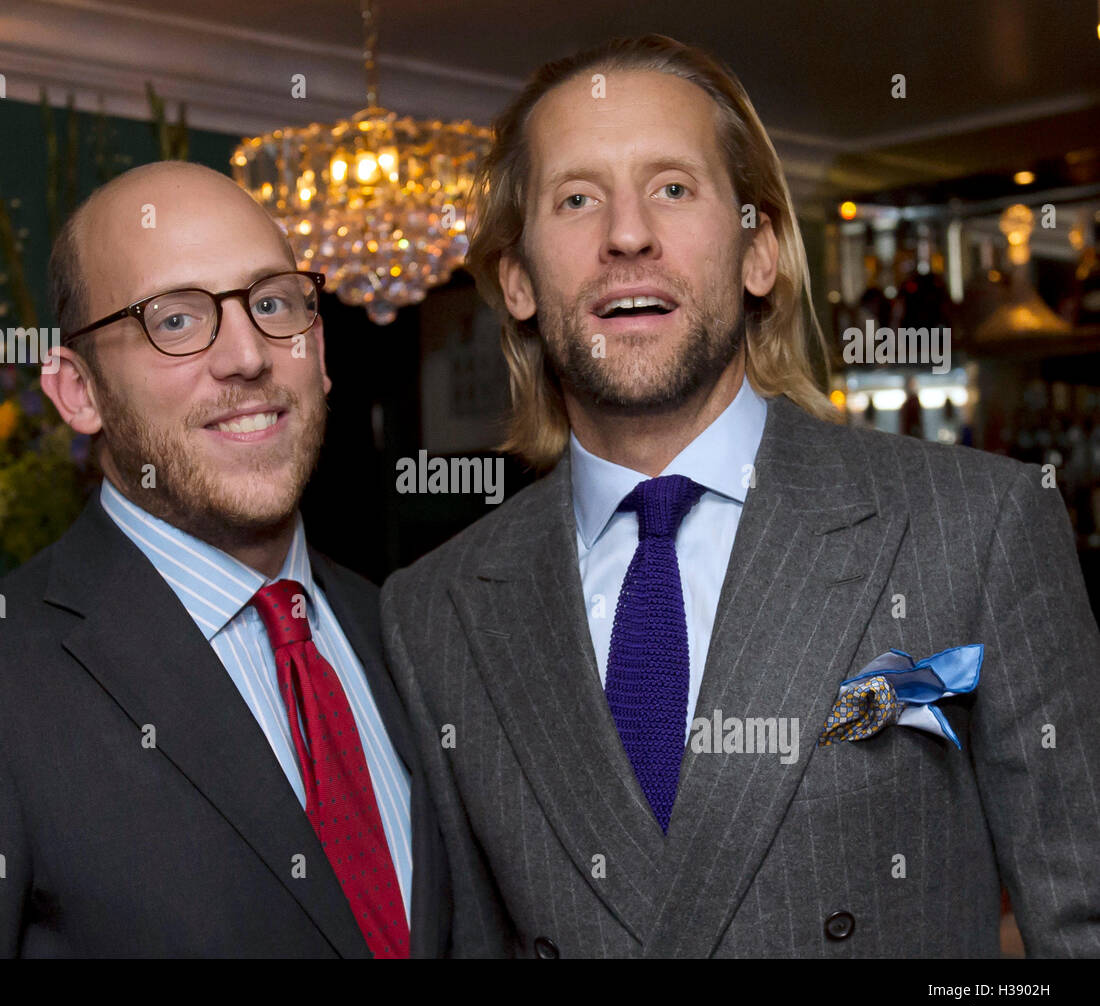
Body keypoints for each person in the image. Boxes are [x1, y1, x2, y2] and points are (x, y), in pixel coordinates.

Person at [380, 36, 1100, 958]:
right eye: (575, 199)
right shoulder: (435, 611)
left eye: (673, 188)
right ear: (517, 280)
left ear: (758, 251)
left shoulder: (977, 523)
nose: (627, 235)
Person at [0, 161, 448, 958]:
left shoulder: (410, 631)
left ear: (317, 353)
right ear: (77, 391)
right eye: (174, 321)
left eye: (274, 303)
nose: (247, 356)